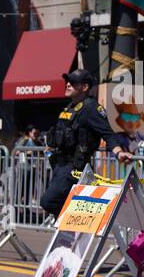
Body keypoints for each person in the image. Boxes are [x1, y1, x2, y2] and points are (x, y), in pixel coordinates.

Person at [40, 69, 134, 218]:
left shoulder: (91, 108)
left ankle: (76, 227)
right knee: (60, 202)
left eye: (73, 82)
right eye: (68, 82)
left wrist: (118, 152)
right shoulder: (70, 107)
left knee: (48, 202)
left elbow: (108, 133)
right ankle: (71, 233)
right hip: (59, 165)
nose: (68, 84)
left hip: (73, 167)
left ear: (84, 87)